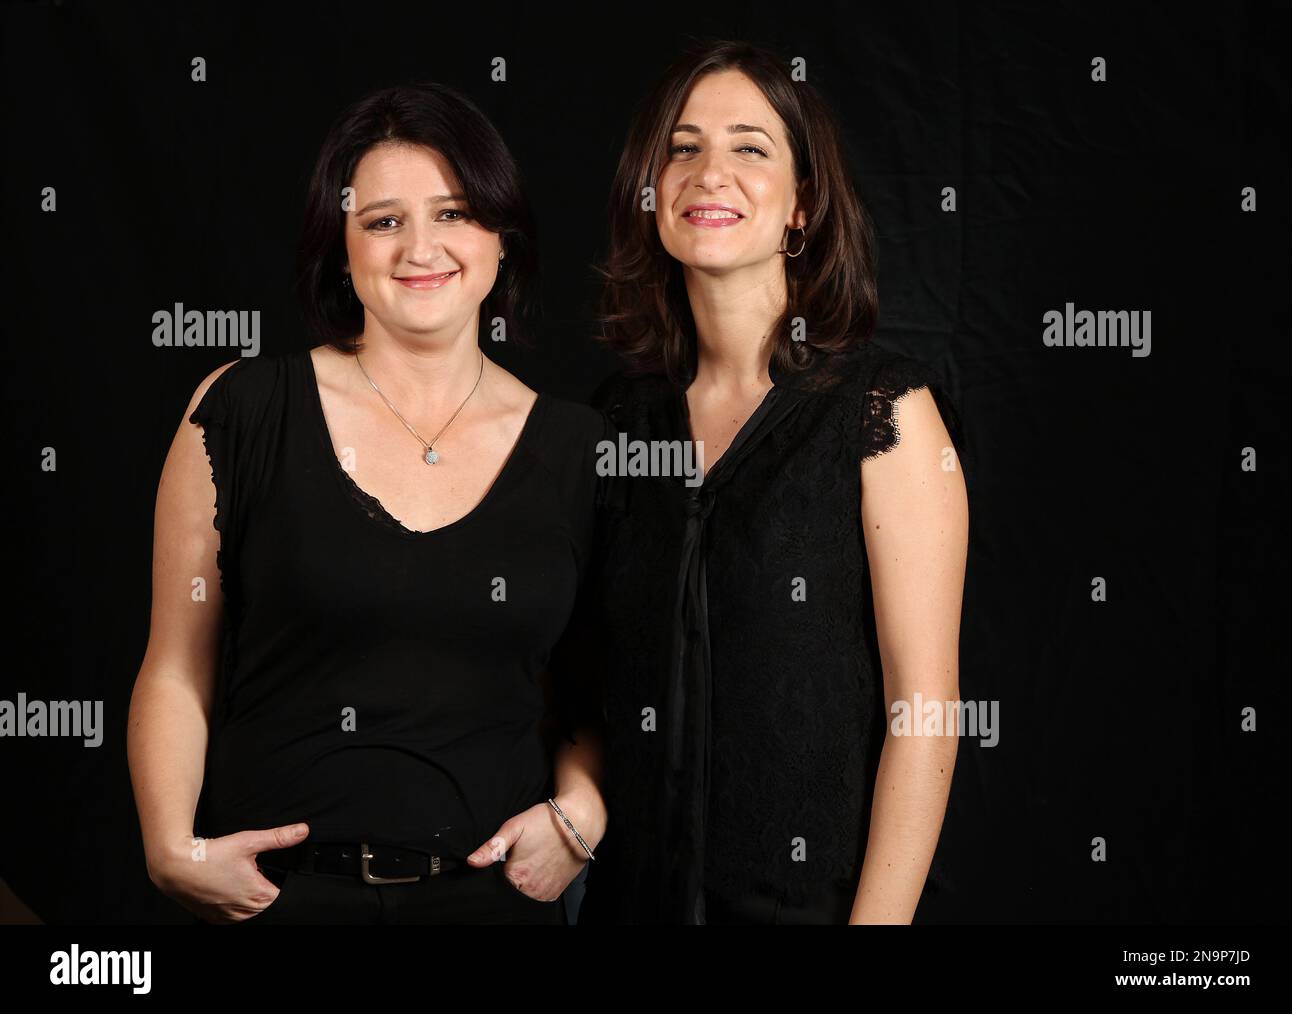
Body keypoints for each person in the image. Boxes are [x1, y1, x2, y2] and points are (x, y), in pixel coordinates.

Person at [127, 82, 606, 925]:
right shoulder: (242, 408)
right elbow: (176, 665)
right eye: (383, 220)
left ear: (501, 236)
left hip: (492, 903)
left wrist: (583, 812)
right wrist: (171, 845)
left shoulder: (579, 449)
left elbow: (597, 688)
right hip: (280, 898)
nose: (421, 247)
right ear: (340, 248)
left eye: (454, 213)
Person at [575, 41, 970, 924]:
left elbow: (926, 711)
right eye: (682, 147)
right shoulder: (612, 422)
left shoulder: (883, 412)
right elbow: (581, 677)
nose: (709, 171)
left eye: (751, 147)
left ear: (802, 208)